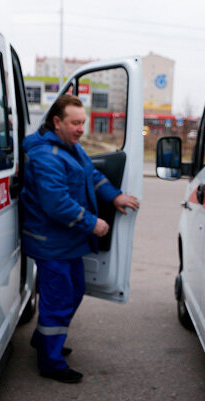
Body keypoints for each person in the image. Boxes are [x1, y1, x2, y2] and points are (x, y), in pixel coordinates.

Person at [20, 94, 139, 383]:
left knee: (74, 291)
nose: (81, 128)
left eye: (83, 123)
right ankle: (51, 362)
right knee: (59, 299)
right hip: (51, 243)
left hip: (67, 242)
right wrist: (92, 223)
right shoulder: (45, 155)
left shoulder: (71, 148)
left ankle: (44, 339)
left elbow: (92, 176)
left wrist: (115, 196)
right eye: (75, 123)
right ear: (57, 122)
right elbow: (57, 203)